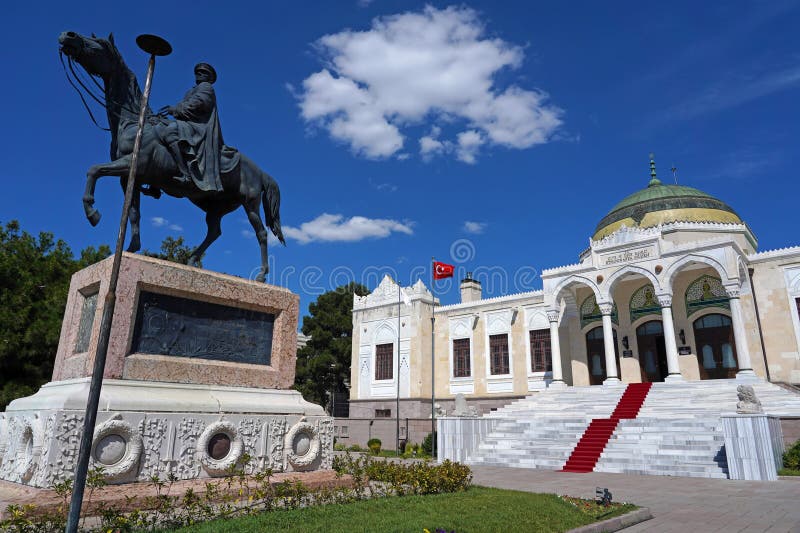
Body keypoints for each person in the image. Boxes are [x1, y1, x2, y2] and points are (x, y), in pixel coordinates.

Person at [156, 62, 225, 193]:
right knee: (159, 128)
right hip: (189, 124)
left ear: (209, 78)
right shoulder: (191, 91)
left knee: (171, 130)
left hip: (201, 127)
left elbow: (198, 104)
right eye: (197, 72)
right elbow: (184, 110)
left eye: (203, 72)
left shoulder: (206, 87)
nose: (199, 74)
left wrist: (175, 109)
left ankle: (185, 174)